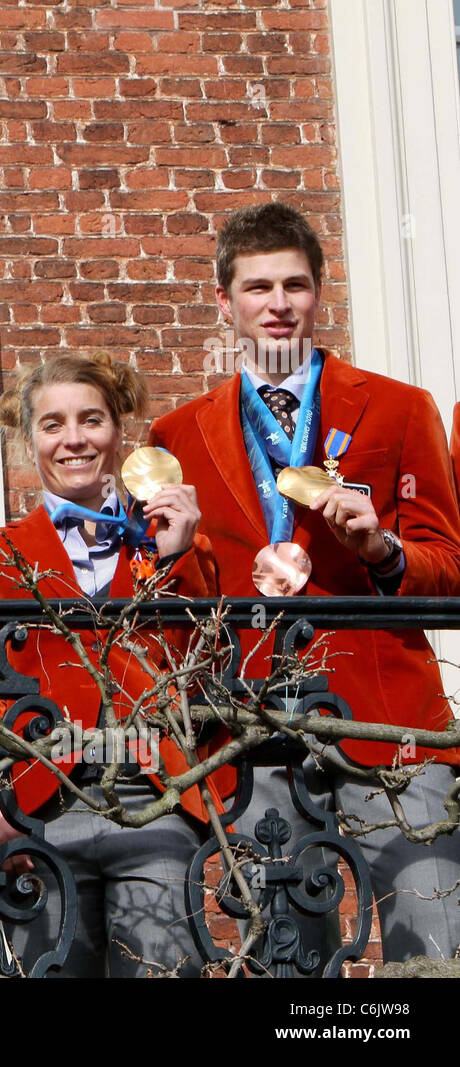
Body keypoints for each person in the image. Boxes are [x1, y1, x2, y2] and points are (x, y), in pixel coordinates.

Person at [149, 201, 460, 967]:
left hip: (389, 712)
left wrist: (384, 549)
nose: (278, 305)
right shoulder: (177, 435)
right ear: (225, 303)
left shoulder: (397, 408)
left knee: (432, 931)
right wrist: (166, 560)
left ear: (320, 292)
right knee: (286, 957)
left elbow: (449, 568)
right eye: (258, 288)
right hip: (253, 719)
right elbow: (172, 605)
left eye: (295, 284)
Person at [0, 353, 220, 977]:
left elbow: (200, 680)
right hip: (42, 807)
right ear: (30, 440)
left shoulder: (172, 543)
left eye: (91, 420)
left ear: (119, 432)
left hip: (153, 801)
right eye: (52, 424)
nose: (73, 439)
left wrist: (177, 562)